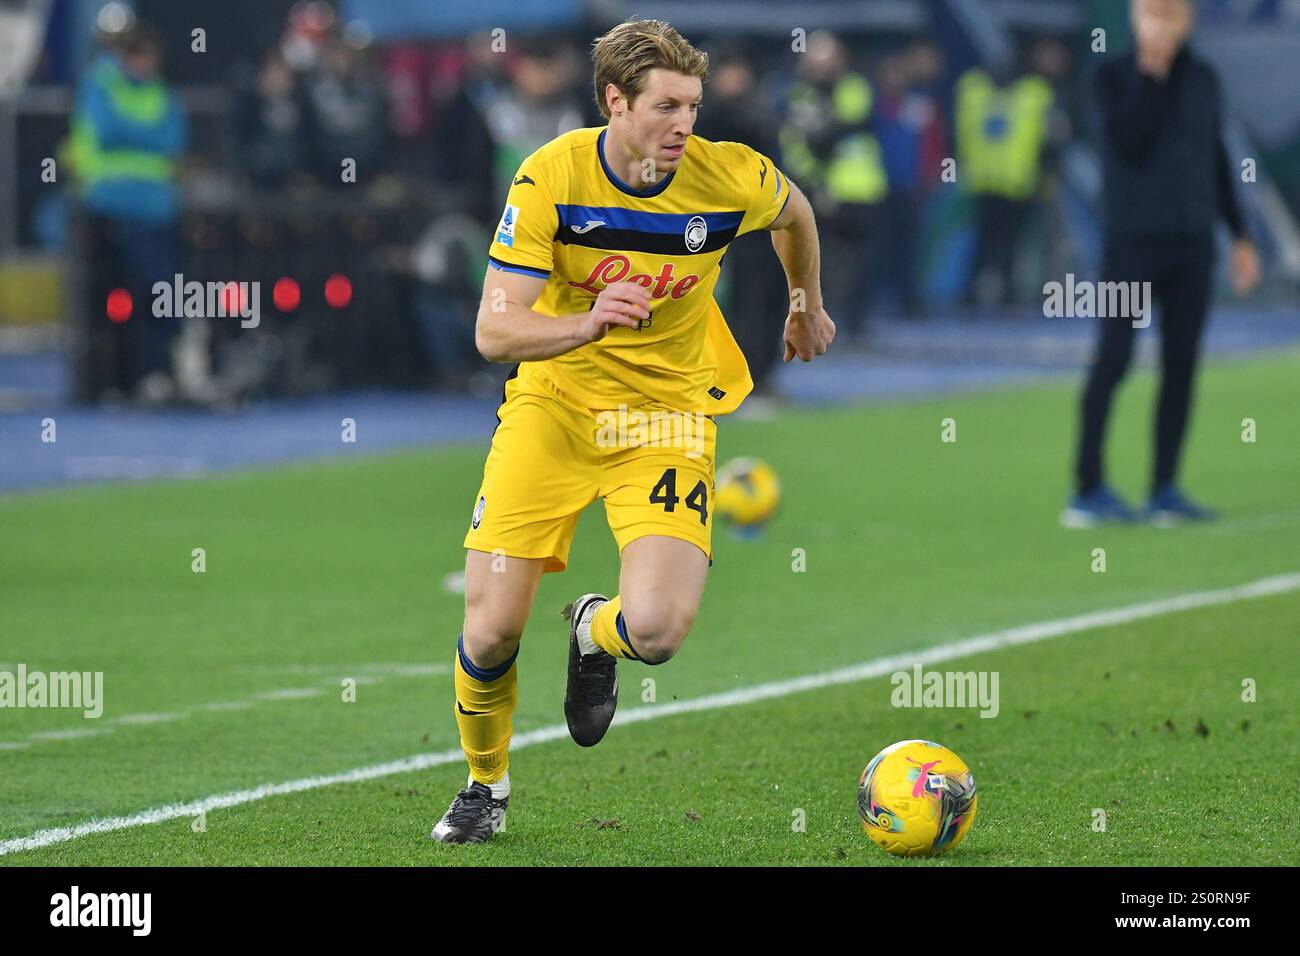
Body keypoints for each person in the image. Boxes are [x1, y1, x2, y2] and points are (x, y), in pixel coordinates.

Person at [430, 19, 835, 844]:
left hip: (667, 416)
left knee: (655, 631)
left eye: (691, 104)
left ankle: (592, 629)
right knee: (491, 626)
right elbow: (495, 332)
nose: (684, 123)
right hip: (555, 410)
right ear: (614, 101)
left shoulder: (727, 177)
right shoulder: (552, 176)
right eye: (665, 106)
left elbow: (795, 213)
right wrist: (584, 325)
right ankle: (484, 787)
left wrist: (805, 303)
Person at [1064, 0, 1261, 527]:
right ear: (1134, 21)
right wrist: (1151, 74)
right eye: (1152, 15)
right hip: (1130, 245)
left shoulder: (1203, 78)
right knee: (1114, 359)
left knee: (1181, 364)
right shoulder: (1109, 77)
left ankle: (1164, 489)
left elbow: (1214, 157)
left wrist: (1239, 236)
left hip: (1193, 245)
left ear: (1187, 21)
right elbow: (1127, 143)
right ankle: (1088, 489)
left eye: (1171, 15)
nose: (1162, 26)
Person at [69, 20, 187, 403]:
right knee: (116, 298)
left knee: (162, 292)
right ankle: (113, 381)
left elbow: (172, 140)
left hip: (158, 210)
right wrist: (145, 136)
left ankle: (156, 374)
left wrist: (133, 134)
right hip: (110, 208)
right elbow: (107, 131)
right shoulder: (101, 85)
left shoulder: (160, 92)